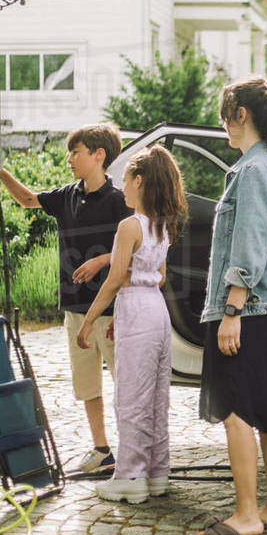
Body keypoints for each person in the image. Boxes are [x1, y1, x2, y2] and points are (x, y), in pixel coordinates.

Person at [187, 76, 267, 535]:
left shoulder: (252, 171)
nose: (223, 125)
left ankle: (246, 516)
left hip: (246, 310)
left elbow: (249, 248)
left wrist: (231, 309)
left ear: (242, 115)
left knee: (235, 412)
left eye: (225, 116)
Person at [0, 124, 132, 474]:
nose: (69, 159)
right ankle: (102, 450)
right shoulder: (66, 195)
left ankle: (134, 453)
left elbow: (135, 253)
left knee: (126, 387)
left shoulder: (119, 201)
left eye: (77, 152)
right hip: (75, 310)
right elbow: (27, 199)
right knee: (87, 384)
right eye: (70, 152)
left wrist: (103, 261)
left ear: (99, 156)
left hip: (112, 311)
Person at [76, 145, 185, 503]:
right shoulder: (161, 227)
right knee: (155, 396)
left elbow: (114, 278)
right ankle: (157, 473)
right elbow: (161, 275)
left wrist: (89, 321)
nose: (122, 187)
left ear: (140, 181)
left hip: (137, 308)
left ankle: (130, 477)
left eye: (125, 180)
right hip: (156, 312)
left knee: (131, 397)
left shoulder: (130, 225)